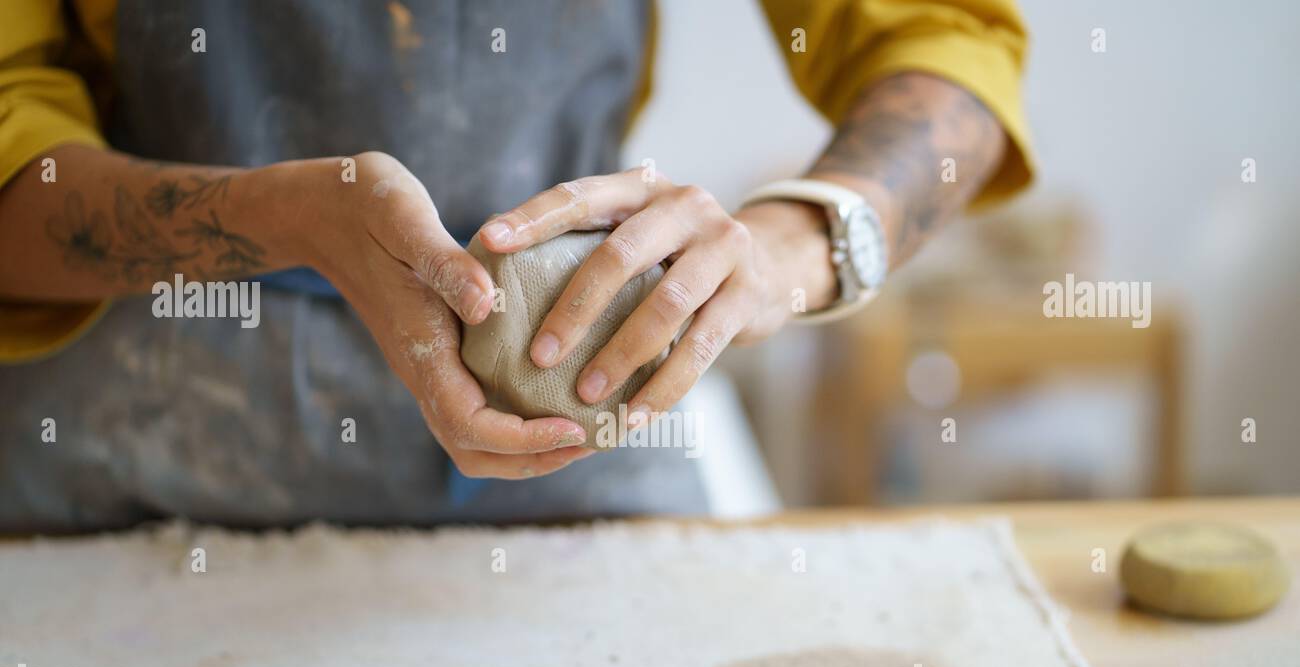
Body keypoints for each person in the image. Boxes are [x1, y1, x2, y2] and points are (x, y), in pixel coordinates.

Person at [0, 0, 1034, 532]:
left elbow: (949, 49)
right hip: (136, 426)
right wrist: (286, 217)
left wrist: (795, 241)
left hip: (579, 396)